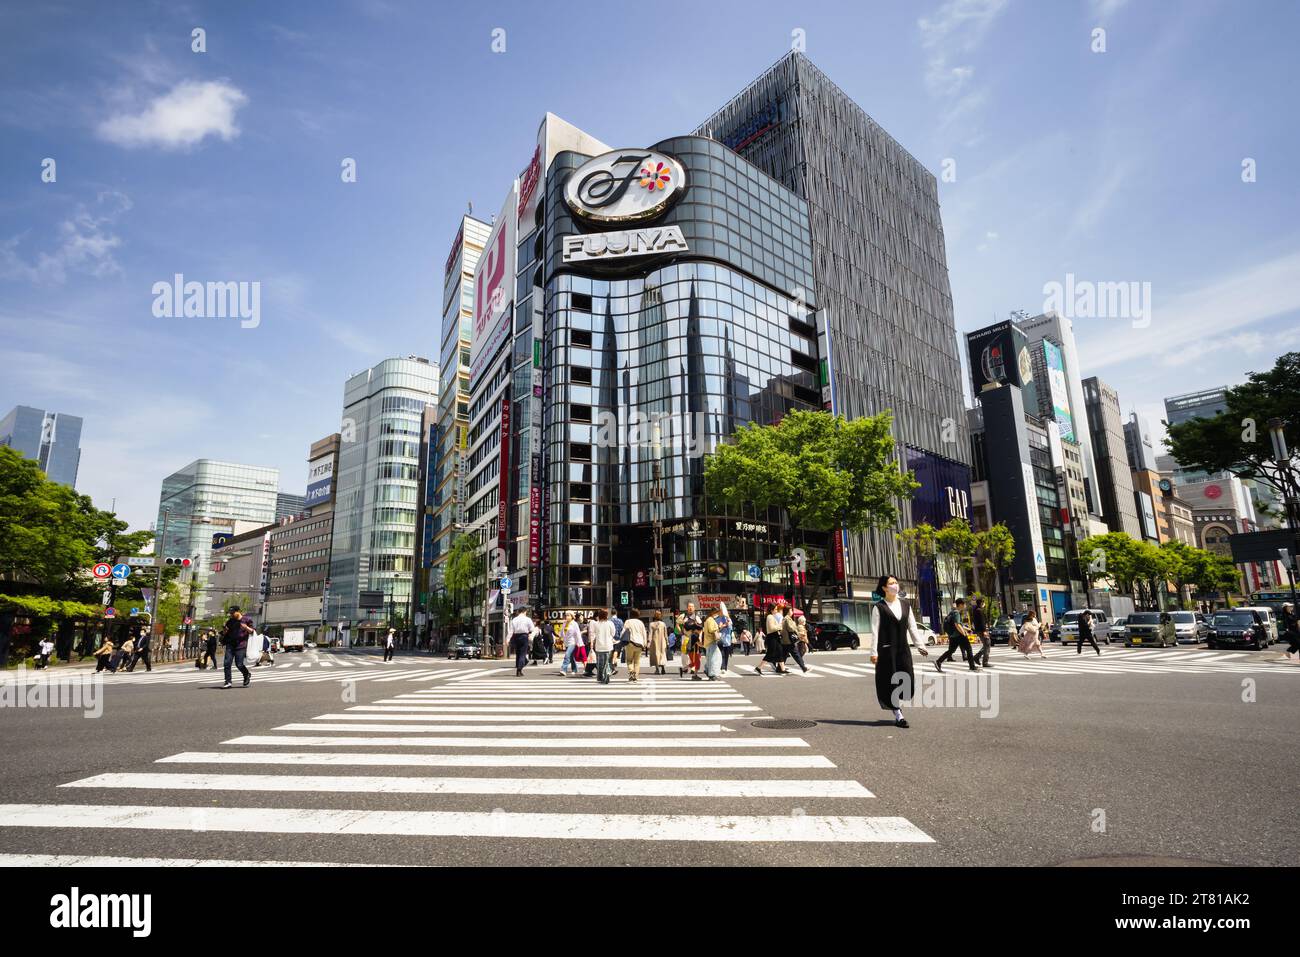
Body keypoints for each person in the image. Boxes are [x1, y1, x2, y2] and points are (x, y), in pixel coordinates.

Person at [871, 574, 930, 728]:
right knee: (890, 682)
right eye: (891, 583)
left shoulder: (905, 605)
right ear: (884, 588)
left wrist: (920, 646)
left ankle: (897, 706)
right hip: (886, 651)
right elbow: (875, 631)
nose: (895, 585)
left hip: (903, 649)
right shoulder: (879, 607)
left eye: (896, 582)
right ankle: (898, 714)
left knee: (907, 678)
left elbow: (912, 627)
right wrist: (873, 653)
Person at [935, 597, 978, 672]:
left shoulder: (952, 612)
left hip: (952, 635)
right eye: (964, 604)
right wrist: (964, 634)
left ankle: (939, 661)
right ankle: (972, 666)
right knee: (968, 649)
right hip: (959, 635)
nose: (965, 606)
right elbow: (957, 625)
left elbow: (960, 624)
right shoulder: (957, 613)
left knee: (951, 650)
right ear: (961, 605)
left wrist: (968, 629)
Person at [220, 607, 255, 689]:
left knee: (239, 664)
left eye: (232, 613)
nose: (231, 615)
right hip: (230, 645)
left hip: (241, 645)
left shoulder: (247, 619)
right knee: (227, 663)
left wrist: (246, 627)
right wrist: (225, 630)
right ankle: (228, 681)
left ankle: (246, 674)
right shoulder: (230, 621)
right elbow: (225, 632)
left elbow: (253, 631)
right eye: (230, 613)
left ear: (238, 612)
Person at [754, 602, 787, 676]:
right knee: (770, 653)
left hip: (775, 636)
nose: (776, 611)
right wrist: (780, 626)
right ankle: (759, 667)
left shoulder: (771, 616)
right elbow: (772, 628)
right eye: (775, 609)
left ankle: (783, 669)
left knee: (780, 652)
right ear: (771, 610)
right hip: (772, 637)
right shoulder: (770, 617)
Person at [677, 602, 704, 679]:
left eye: (692, 606)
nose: (690, 608)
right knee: (686, 655)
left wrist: (700, 637)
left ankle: (688, 670)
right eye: (689, 606)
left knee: (696, 658)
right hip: (686, 638)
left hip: (695, 639)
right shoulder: (683, 616)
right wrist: (681, 632)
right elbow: (677, 624)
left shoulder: (697, 617)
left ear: (694, 608)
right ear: (687, 608)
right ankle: (686, 669)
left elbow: (701, 628)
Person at [589, 608, 616, 684]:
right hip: (608, 646)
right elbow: (613, 633)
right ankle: (607, 673)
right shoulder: (610, 623)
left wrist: (591, 643)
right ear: (606, 615)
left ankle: (601, 677)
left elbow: (592, 634)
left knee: (600, 663)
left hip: (599, 646)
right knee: (607, 662)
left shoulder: (596, 624)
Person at [780, 601, 808, 674]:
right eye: (791, 610)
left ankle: (779, 668)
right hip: (789, 640)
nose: (792, 611)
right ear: (788, 611)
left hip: (785, 640)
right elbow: (791, 628)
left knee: (784, 655)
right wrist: (795, 627)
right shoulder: (787, 619)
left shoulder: (784, 618)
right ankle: (803, 667)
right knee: (796, 654)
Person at [701, 605, 727, 680]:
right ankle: (712, 674)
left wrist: (719, 627)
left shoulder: (708, 619)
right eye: (718, 613)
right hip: (711, 641)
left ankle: (708, 670)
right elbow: (712, 630)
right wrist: (719, 627)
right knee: (716, 658)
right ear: (715, 613)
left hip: (708, 641)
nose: (718, 615)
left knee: (711, 657)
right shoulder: (711, 620)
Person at [509, 608, 535, 676]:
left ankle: (519, 668)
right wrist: (530, 634)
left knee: (518, 653)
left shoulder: (514, 619)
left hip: (516, 636)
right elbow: (532, 629)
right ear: (524, 612)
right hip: (524, 636)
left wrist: (507, 639)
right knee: (523, 653)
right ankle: (519, 669)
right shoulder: (527, 619)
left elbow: (511, 630)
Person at [623, 615, 647, 682]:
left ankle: (631, 672)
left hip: (630, 643)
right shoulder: (640, 622)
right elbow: (644, 633)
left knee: (629, 660)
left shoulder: (628, 621)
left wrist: (622, 641)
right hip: (639, 644)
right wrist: (645, 643)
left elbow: (623, 631)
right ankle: (635, 676)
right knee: (637, 661)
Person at [970, 597, 992, 669]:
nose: (984, 604)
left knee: (986, 645)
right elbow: (982, 622)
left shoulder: (975, 610)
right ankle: (984, 662)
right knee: (987, 644)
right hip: (982, 630)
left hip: (979, 630)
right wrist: (985, 631)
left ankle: (977, 657)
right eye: (984, 603)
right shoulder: (979, 611)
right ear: (981, 603)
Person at [647, 610, 668, 675]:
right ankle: (663, 668)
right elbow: (665, 634)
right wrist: (667, 642)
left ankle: (657, 669)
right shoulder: (663, 624)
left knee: (656, 655)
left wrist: (648, 643)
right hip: (662, 641)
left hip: (654, 642)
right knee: (662, 654)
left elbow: (650, 634)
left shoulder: (651, 624)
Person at [716, 604, 735, 673]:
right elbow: (716, 629)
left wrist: (728, 623)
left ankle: (725, 667)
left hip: (727, 639)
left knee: (726, 654)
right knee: (721, 653)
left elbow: (730, 629)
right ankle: (722, 667)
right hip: (720, 639)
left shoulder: (728, 619)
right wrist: (723, 626)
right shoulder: (717, 619)